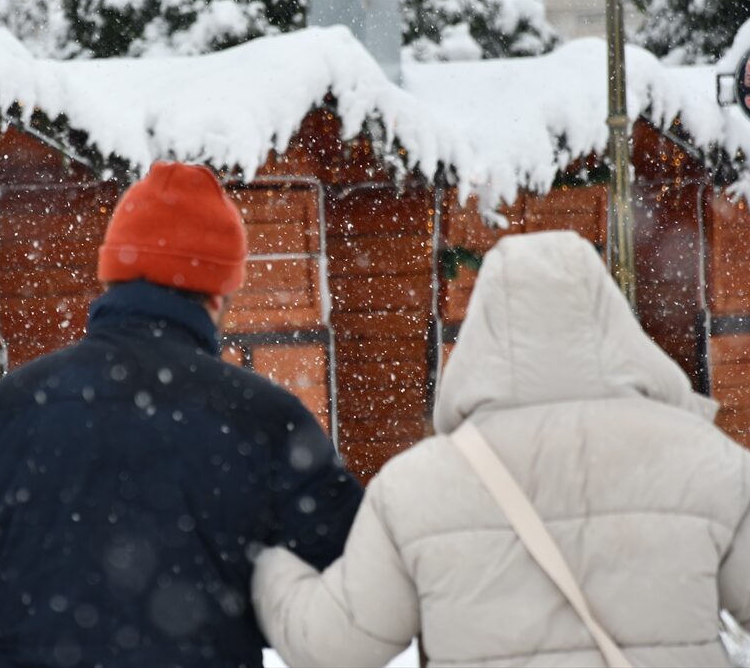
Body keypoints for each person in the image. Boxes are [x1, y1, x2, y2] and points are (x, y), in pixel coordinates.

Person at [0, 161, 363, 668]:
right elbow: (361, 579)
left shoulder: (2, 415)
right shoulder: (266, 422)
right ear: (219, 293)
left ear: (112, 277)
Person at [252, 230, 750, 667]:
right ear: (609, 320)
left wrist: (267, 566)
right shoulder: (710, 465)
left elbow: (335, 648)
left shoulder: (415, 488)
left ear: (483, 329)